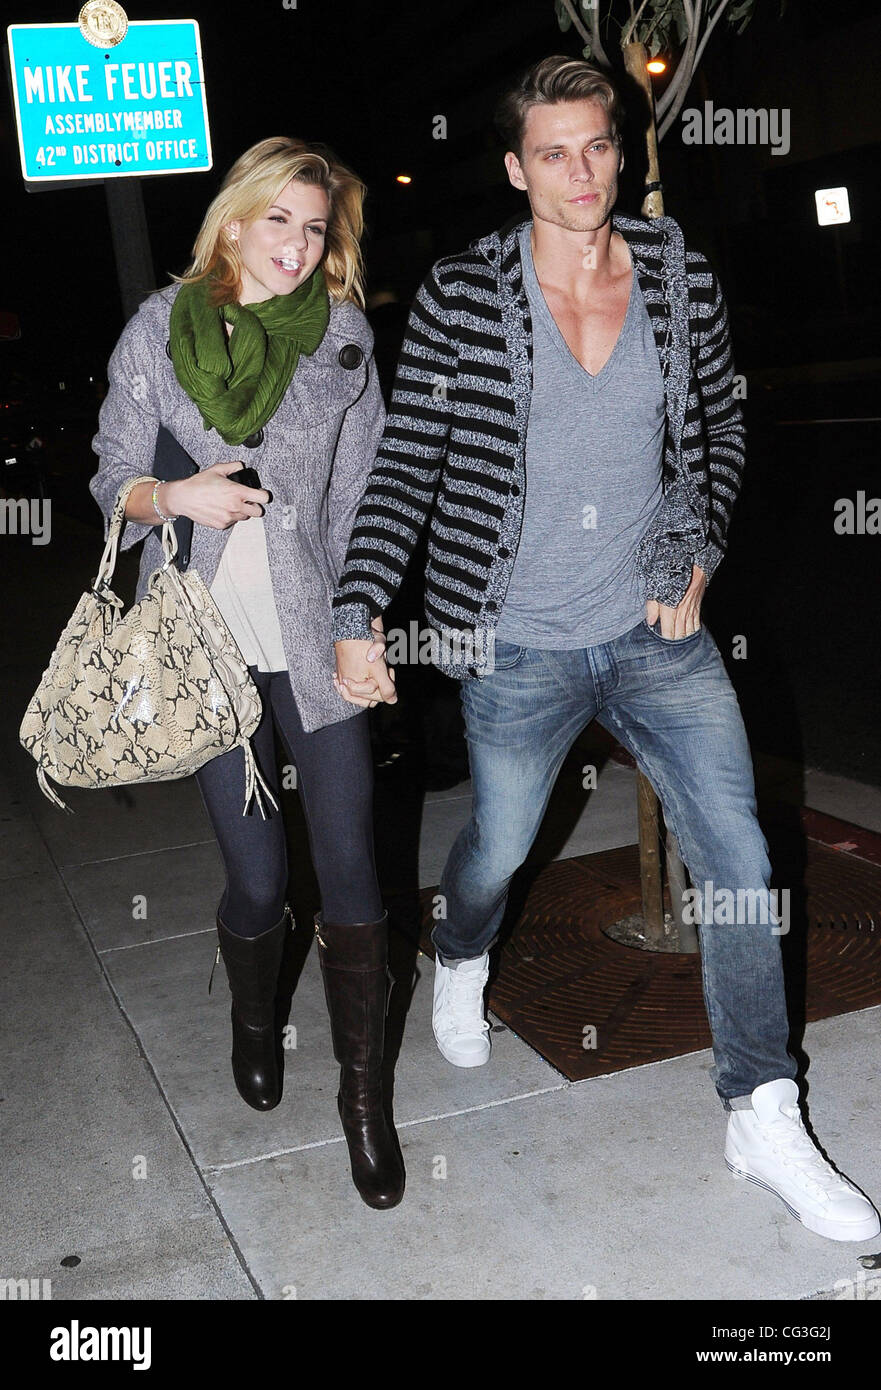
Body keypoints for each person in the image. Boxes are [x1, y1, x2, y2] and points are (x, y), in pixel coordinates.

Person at [330, 58, 879, 1242]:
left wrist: (693, 552)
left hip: (653, 631)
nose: (581, 172)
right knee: (496, 848)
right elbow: (406, 464)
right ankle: (460, 945)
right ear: (516, 167)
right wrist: (358, 606)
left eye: (598, 147)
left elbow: (721, 420)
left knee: (736, 850)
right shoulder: (461, 293)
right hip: (515, 640)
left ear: (616, 153)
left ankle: (759, 1104)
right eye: (554, 152)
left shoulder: (677, 271)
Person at [90, 136, 404, 1210]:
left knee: (355, 870)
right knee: (262, 879)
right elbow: (111, 480)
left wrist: (360, 624)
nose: (299, 244)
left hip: (317, 645)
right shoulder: (156, 333)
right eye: (279, 219)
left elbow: (366, 505)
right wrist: (174, 500)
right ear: (234, 223)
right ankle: (254, 1014)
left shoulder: (347, 342)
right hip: (205, 646)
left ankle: (364, 1101)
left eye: (315, 227)